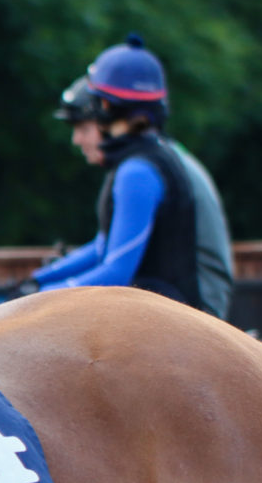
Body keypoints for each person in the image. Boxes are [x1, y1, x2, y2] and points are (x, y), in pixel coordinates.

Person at [30, 35, 234, 319]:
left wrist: (36, 299)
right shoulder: (150, 158)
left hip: (187, 315)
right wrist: (40, 279)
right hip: (192, 305)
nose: (77, 139)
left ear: (106, 107)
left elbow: (116, 271)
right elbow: (105, 246)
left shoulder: (137, 171)